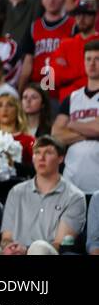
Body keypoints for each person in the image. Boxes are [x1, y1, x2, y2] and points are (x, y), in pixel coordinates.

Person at [0, 137, 87, 255]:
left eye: (48, 153)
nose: (41, 157)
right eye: (37, 153)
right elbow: (6, 238)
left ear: (60, 158)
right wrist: (9, 247)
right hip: (14, 252)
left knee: (38, 248)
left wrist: (26, 249)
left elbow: (60, 245)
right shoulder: (16, 192)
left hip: (47, 251)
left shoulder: (75, 197)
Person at [51, 40, 99, 194]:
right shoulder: (71, 98)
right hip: (72, 180)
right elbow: (57, 135)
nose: (92, 63)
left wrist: (72, 124)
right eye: (88, 59)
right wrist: (88, 132)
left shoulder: (72, 118)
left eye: (97, 59)